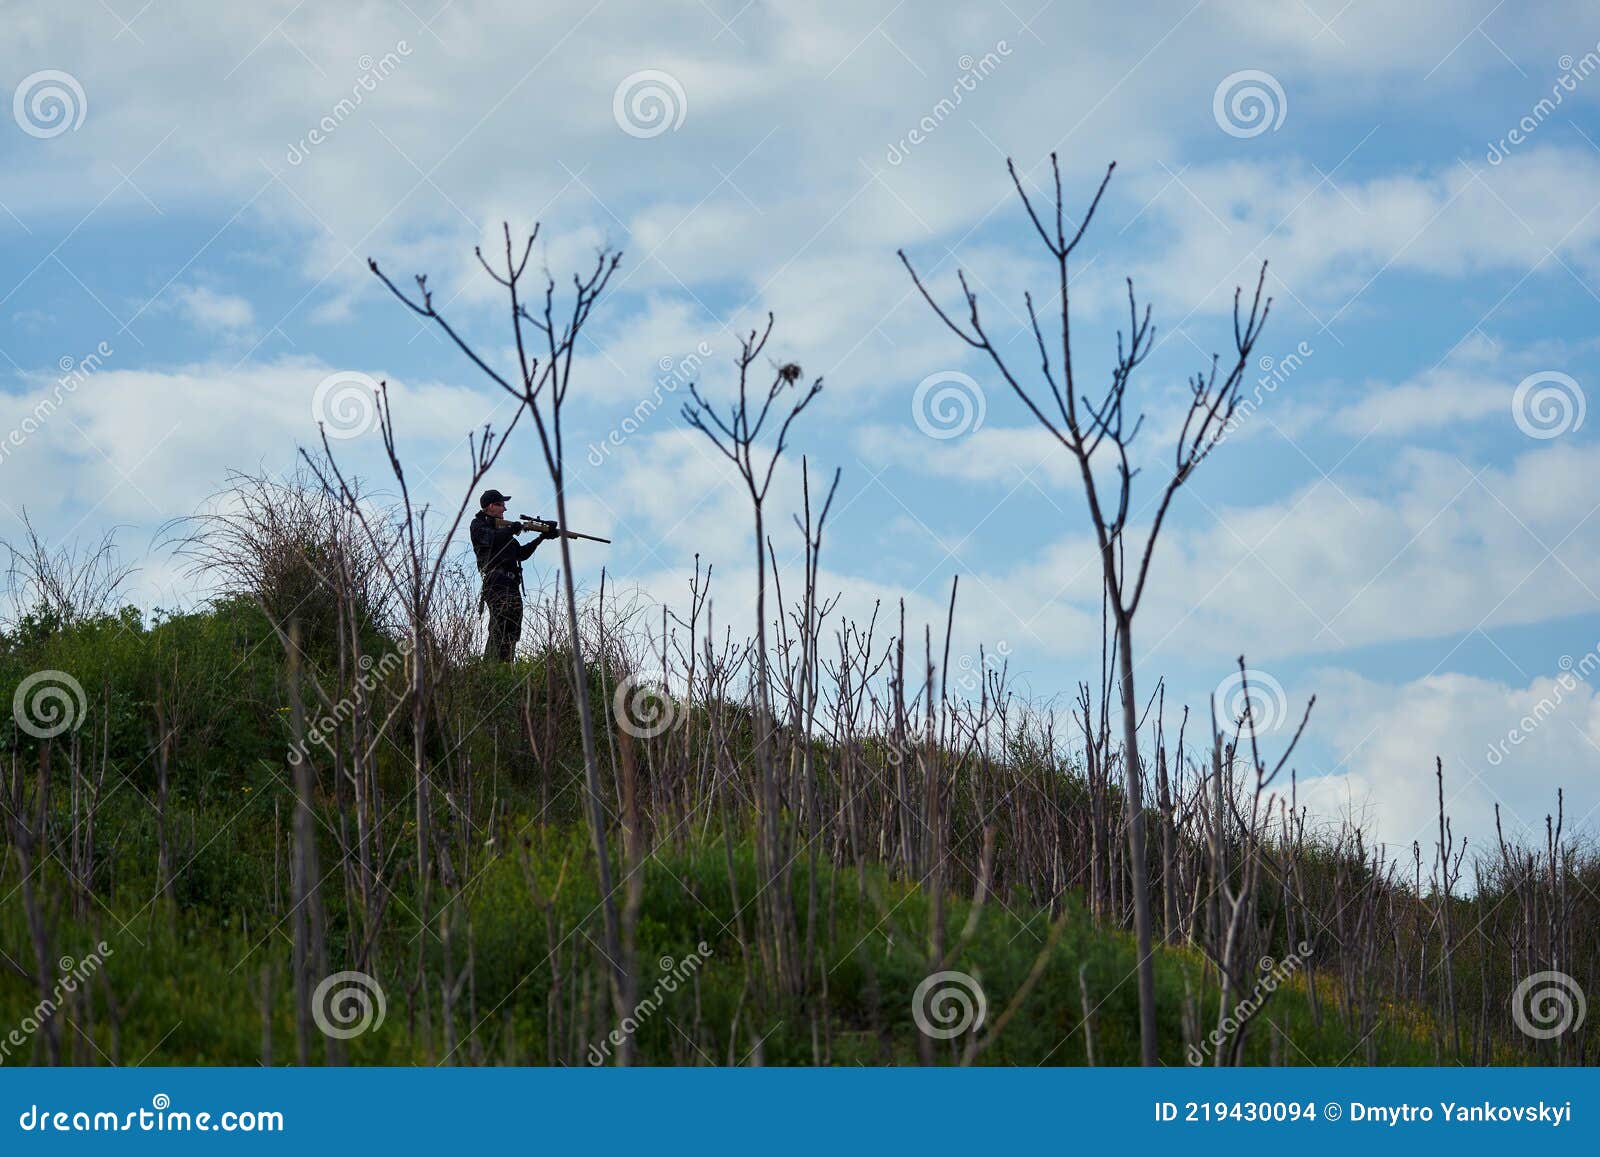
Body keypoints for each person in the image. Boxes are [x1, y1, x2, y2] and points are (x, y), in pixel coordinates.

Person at [469, 488, 556, 661]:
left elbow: (521, 553)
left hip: (511, 583)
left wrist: (541, 538)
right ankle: (491, 666)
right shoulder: (479, 525)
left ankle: (505, 665)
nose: (504, 509)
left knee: (513, 628)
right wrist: (512, 529)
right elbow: (491, 539)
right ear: (490, 506)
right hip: (496, 581)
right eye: (501, 505)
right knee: (499, 626)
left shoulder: (505, 533)